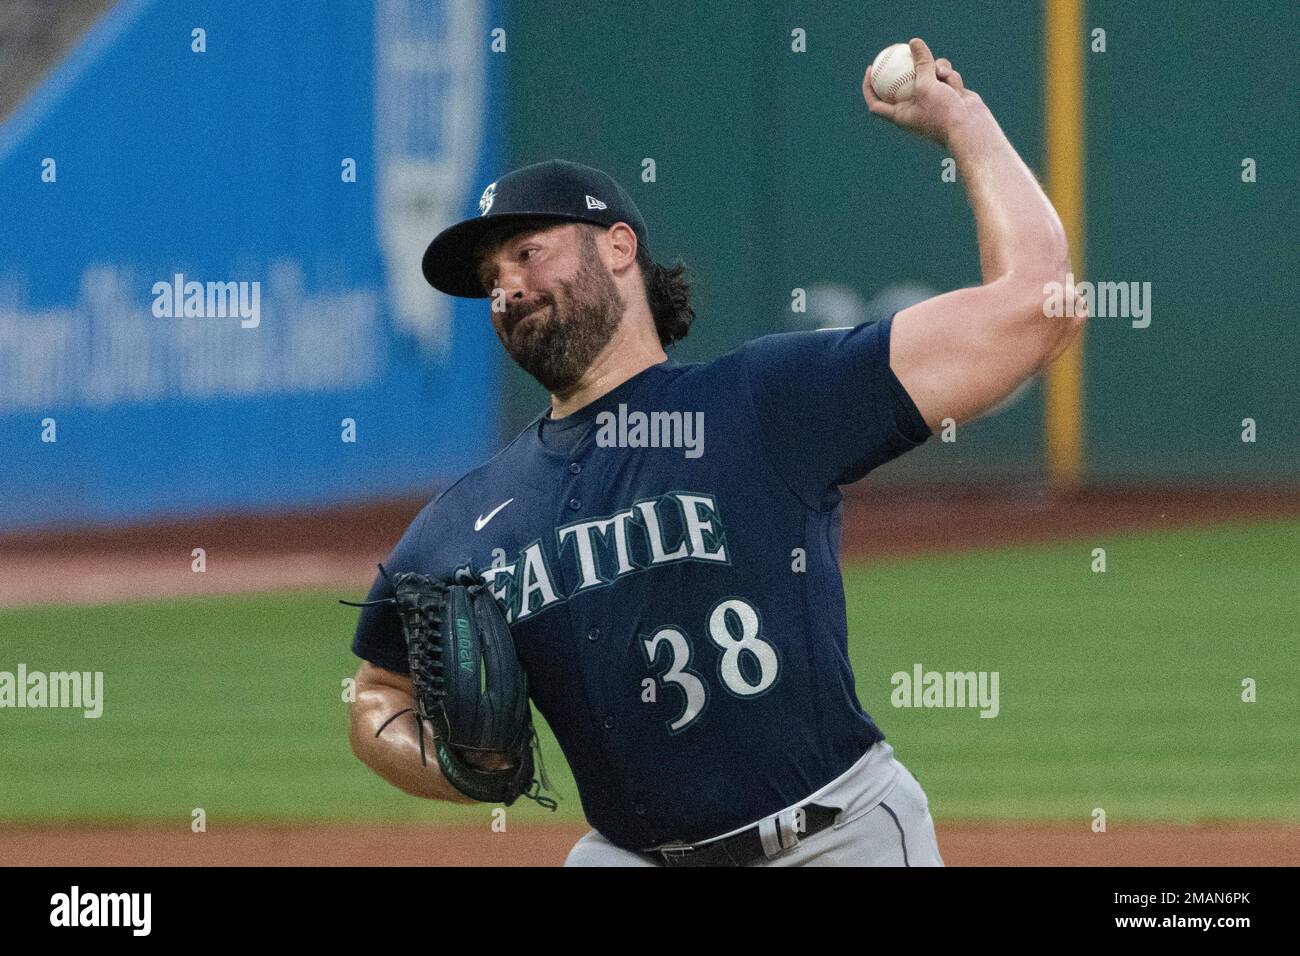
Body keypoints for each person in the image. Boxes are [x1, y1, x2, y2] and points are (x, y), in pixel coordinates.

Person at [347, 38, 1085, 866]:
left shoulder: (764, 404)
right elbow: (376, 692)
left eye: (527, 252)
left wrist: (964, 121)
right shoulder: (470, 516)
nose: (505, 287)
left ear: (618, 247)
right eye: (489, 277)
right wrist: (449, 762)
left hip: (834, 838)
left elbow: (1040, 306)